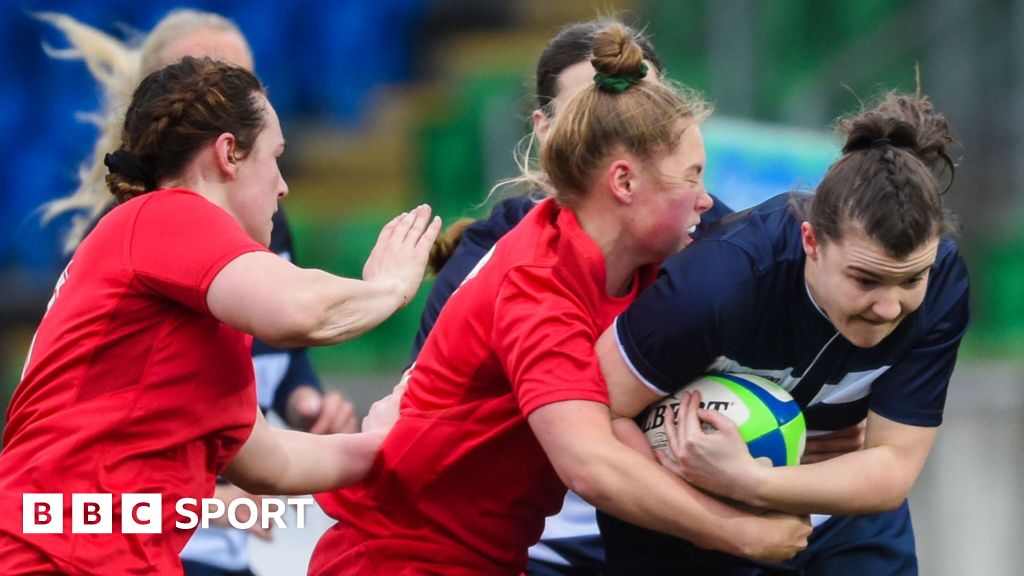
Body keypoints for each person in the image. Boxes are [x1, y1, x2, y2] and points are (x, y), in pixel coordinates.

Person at [311, 23, 811, 576]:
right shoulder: (538, 282)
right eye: (692, 177)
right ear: (623, 183)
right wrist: (740, 534)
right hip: (401, 559)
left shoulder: (642, 266)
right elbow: (590, 465)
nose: (705, 199)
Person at [0, 56, 440, 576]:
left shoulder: (201, 311)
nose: (283, 186)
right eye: (275, 157)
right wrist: (389, 289)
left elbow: (273, 463)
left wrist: (397, 441)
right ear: (229, 152)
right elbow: (297, 310)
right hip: (55, 557)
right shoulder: (167, 215)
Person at [35, 10, 359, 574]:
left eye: (239, 79)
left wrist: (315, 409)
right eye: (204, 78)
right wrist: (393, 283)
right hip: (125, 538)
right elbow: (90, 450)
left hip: (193, 538)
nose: (224, 98)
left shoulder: (259, 226)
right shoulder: (149, 225)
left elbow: (265, 418)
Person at [594, 90, 969, 575]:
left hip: (835, 507)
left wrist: (753, 481)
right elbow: (598, 415)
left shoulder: (942, 282)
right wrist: (718, 514)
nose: (889, 306)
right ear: (811, 241)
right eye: (865, 279)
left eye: (911, 278)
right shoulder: (719, 285)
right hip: (684, 513)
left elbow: (891, 467)